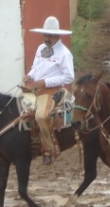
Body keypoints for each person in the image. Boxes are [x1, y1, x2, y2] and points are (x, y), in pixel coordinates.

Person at [23, 16, 74, 165]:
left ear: (57, 35)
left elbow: (69, 77)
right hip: (37, 89)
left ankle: (50, 149)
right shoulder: (41, 49)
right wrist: (29, 76)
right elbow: (36, 68)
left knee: (40, 116)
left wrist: (45, 82)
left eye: (50, 35)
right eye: (45, 34)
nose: (47, 38)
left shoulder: (64, 53)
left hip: (52, 91)